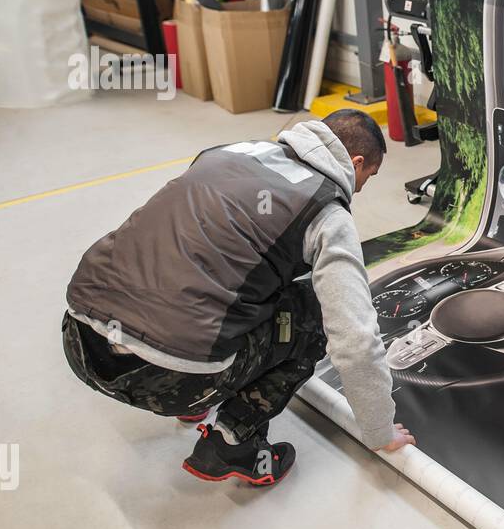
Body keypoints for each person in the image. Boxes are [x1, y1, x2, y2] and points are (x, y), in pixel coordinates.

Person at [61, 110, 414, 487]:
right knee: (312, 311)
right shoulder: (326, 212)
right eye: (367, 177)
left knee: (239, 274)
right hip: (171, 378)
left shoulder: (230, 151)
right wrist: (379, 431)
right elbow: (356, 339)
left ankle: (192, 400)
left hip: (80, 340)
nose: (360, 189)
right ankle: (233, 442)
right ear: (356, 162)